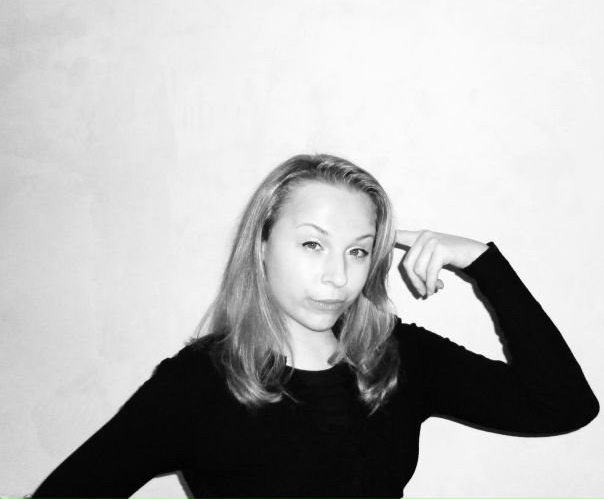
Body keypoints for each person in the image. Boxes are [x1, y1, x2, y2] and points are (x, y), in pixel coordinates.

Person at [31, 153, 599, 499]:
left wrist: (483, 263)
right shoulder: (200, 383)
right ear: (261, 244)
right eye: (312, 244)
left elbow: (564, 407)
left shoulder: (396, 357)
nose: (337, 277)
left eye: (358, 251)